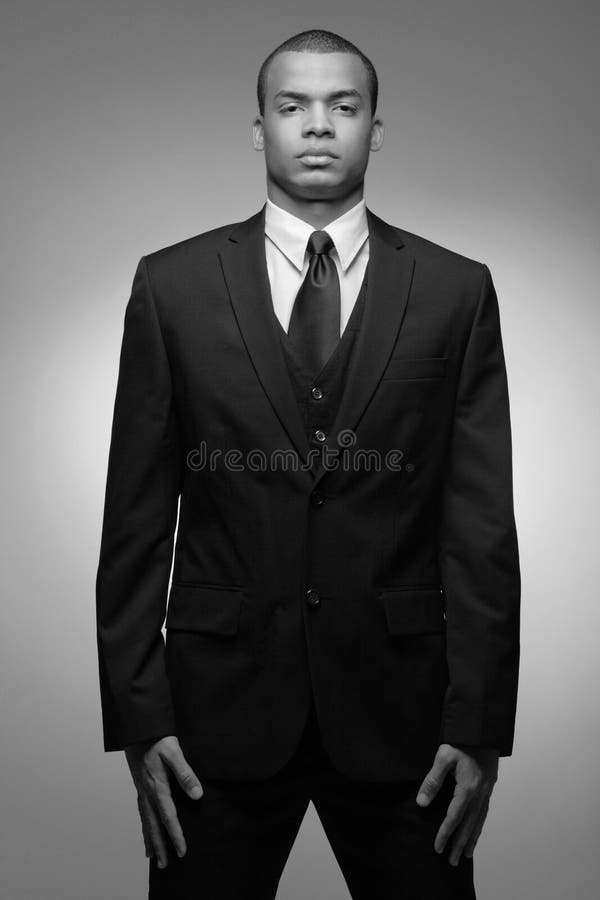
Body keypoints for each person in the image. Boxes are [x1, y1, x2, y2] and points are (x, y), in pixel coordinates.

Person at [95, 28, 520, 900]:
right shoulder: (170, 287)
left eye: (343, 106)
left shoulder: (455, 290)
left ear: (375, 129)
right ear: (260, 128)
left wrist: (480, 726)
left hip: (407, 718)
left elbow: (479, 525)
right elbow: (135, 521)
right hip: (215, 716)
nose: (317, 126)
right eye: (292, 107)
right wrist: (140, 718)